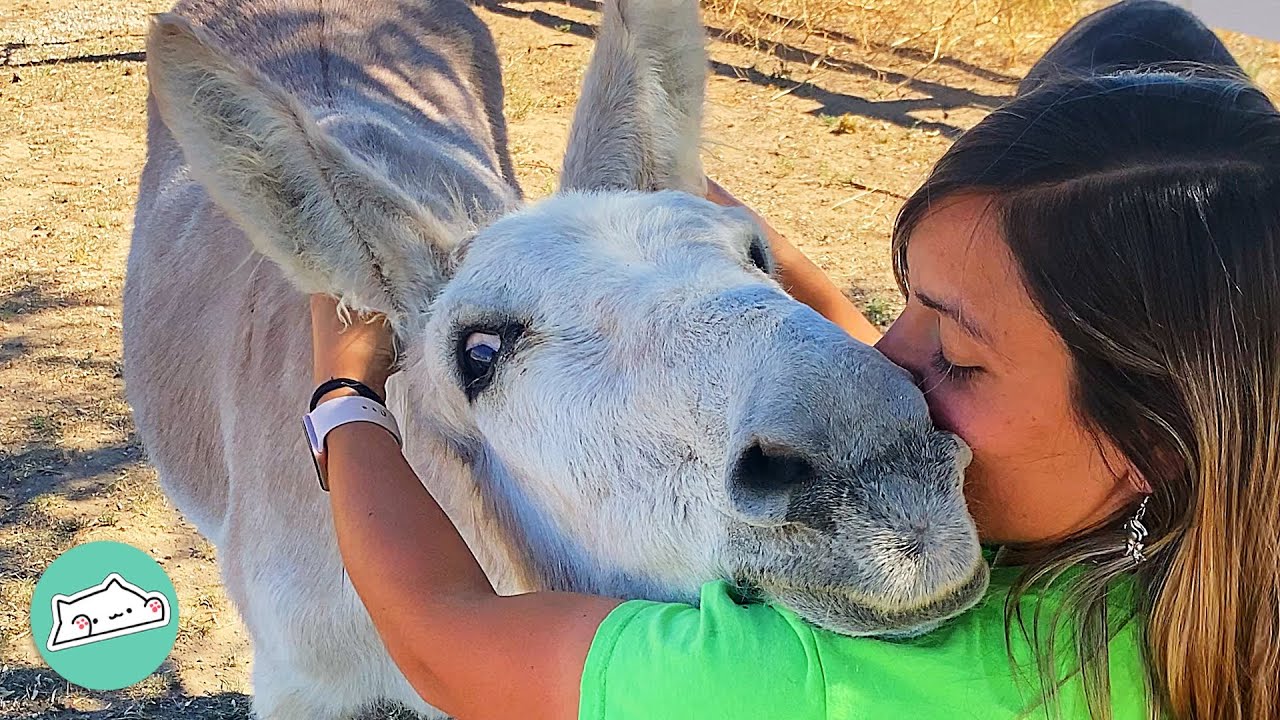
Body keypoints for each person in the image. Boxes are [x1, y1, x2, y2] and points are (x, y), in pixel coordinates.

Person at [305, 2, 1280, 718]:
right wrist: (702, 248)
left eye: (954, 349)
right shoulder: (1226, 564)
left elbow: (441, 638)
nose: (885, 361)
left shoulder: (815, 677)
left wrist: (345, 394)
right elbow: (879, 352)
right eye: (907, 302)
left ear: (1150, 440)